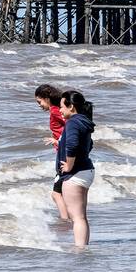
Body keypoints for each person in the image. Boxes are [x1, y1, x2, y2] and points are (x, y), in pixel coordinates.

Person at [56, 90, 96, 247]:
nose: (59, 110)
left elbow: (71, 145)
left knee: (77, 217)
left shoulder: (72, 122)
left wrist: (69, 165)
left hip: (76, 173)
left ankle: (80, 250)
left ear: (71, 106)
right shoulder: (84, 121)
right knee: (81, 216)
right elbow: (89, 145)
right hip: (86, 171)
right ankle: (83, 247)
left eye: (61, 106)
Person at [34, 83, 70, 224]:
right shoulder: (56, 110)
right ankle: (69, 219)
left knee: (56, 194)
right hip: (64, 151)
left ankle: (65, 221)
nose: (39, 105)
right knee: (62, 191)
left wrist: (57, 141)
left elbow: (70, 125)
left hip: (64, 152)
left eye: (39, 102)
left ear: (47, 98)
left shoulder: (55, 111)